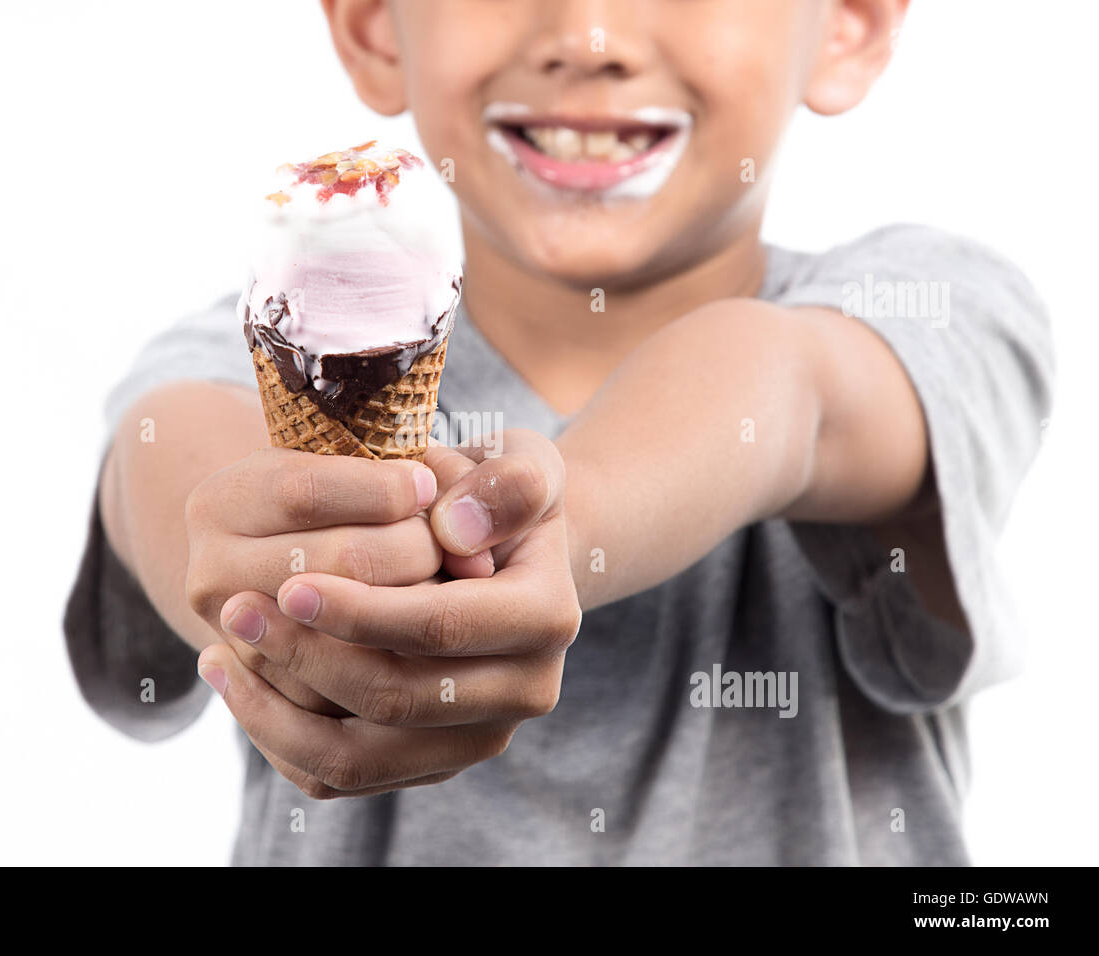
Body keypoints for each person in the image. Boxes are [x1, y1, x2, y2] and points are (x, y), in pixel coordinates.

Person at [64, 0, 1053, 865]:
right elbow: (171, 461)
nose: (587, 36)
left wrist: (543, 528)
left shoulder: (930, 308)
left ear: (851, 21)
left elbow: (787, 388)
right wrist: (271, 587)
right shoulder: (262, 356)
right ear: (373, 22)